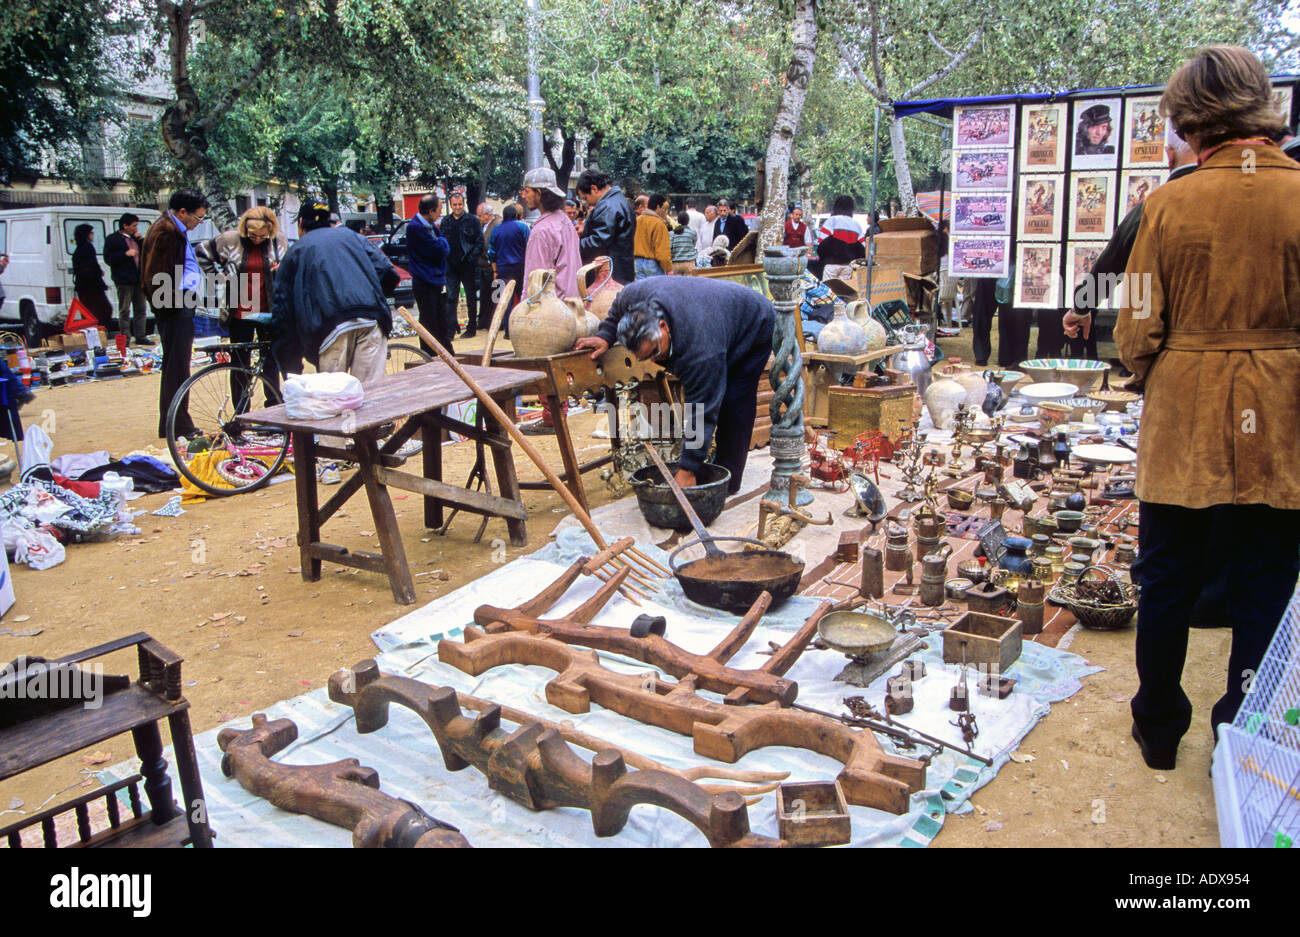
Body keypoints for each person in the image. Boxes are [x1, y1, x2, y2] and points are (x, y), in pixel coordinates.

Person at [1115, 45, 1300, 771]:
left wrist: (1162, 364)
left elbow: (1133, 326)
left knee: (1166, 575)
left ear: (1191, 119)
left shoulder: (1165, 203)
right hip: (1282, 409)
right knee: (1266, 580)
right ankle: (1242, 732)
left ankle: (1159, 728)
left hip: (1184, 407)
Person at [575, 277, 774, 494]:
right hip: (713, 312)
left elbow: (702, 411)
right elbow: (618, 305)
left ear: (663, 326)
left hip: (753, 322)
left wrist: (688, 469)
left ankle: (727, 480)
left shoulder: (701, 349)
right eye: (644, 358)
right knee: (713, 393)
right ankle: (707, 465)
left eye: (655, 353)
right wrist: (605, 335)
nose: (654, 362)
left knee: (734, 401)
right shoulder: (634, 296)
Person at [1064, 124, 1198, 359]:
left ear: (1170, 155)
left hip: (1174, 354)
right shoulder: (1245, 199)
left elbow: (1110, 268)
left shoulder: (1157, 206)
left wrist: (1081, 307)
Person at [272, 201, 397, 388]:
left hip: (329, 328)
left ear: (300, 223)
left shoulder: (295, 252)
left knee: (335, 399)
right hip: (372, 321)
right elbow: (389, 273)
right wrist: (370, 297)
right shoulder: (352, 237)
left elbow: (283, 311)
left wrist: (290, 365)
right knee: (372, 396)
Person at [194, 206, 288, 414]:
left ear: (270, 231)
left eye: (262, 236)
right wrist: (220, 277)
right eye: (252, 235)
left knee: (271, 360)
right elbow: (202, 252)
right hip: (240, 312)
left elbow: (287, 266)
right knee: (239, 362)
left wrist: (280, 270)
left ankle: (273, 407)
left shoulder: (278, 241)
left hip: (268, 310)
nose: (256, 239)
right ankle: (242, 412)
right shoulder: (229, 240)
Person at [142, 187, 209, 438]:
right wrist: (174, 304)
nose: (198, 223)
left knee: (176, 366)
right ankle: (178, 425)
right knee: (177, 367)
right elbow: (155, 274)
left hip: (178, 304)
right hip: (173, 306)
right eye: (198, 217)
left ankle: (173, 423)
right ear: (183, 212)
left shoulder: (171, 228)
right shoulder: (166, 231)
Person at [520, 166, 582, 435]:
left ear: (539, 193)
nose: (524, 196)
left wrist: (526, 310)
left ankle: (551, 418)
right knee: (561, 366)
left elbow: (536, 279)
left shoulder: (542, 230)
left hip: (550, 309)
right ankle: (558, 413)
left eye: (527, 191)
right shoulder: (564, 222)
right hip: (572, 304)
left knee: (545, 366)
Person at [405, 194, 451, 353]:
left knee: (441, 321)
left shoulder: (431, 227)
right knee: (429, 322)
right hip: (425, 281)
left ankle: (447, 353)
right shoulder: (415, 227)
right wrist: (442, 244)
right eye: (438, 210)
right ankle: (430, 354)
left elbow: (443, 243)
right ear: (430, 211)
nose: (440, 213)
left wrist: (442, 243)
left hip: (436, 281)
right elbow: (440, 249)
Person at [576, 168, 635, 284]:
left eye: (585, 198)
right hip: (621, 270)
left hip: (610, 274)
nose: (587, 203)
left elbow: (599, 242)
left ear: (594, 189)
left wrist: (574, 245)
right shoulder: (618, 200)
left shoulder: (607, 206)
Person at [103, 213, 152, 345]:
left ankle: (140, 335)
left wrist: (141, 241)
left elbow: (147, 253)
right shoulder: (113, 239)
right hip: (124, 280)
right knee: (124, 310)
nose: (135, 228)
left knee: (141, 309)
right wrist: (125, 254)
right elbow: (108, 258)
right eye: (133, 226)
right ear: (125, 226)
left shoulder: (136, 239)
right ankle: (126, 337)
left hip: (138, 279)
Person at [441, 192, 483, 337]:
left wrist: (471, 258)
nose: (457, 207)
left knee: (471, 297)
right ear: (450, 205)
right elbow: (442, 241)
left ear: (463, 204)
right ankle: (451, 329)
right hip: (451, 264)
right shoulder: (446, 221)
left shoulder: (473, 220)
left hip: (467, 264)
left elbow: (480, 242)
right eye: (454, 205)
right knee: (451, 297)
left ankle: (471, 328)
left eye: (460, 204)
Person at [491, 202, 532, 328]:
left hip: (503, 269)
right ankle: (523, 326)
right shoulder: (522, 227)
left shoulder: (496, 230)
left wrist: (495, 271)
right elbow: (529, 246)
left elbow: (492, 252)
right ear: (515, 215)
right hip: (520, 267)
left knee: (505, 299)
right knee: (523, 297)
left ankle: (507, 329)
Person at [71, 223, 114, 334]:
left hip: (83, 287)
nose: (92, 235)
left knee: (89, 313)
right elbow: (90, 266)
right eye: (91, 233)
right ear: (86, 235)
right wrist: (98, 273)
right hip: (91, 287)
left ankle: (95, 332)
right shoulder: (87, 248)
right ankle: (100, 332)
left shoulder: (79, 249)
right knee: (104, 310)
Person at [817, 195, 866, 280]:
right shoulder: (856, 225)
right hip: (848, 266)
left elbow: (821, 243)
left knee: (829, 291)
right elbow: (862, 248)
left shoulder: (831, 221)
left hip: (831, 265)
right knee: (843, 291)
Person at [633, 193, 671, 279]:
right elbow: (662, 252)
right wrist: (668, 268)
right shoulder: (659, 224)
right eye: (663, 208)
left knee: (642, 291)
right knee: (656, 291)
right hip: (653, 265)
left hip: (638, 262)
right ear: (658, 207)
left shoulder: (638, 220)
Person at [476, 202, 500, 322]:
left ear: (487, 214)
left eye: (480, 215)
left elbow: (492, 246)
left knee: (493, 295)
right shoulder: (483, 225)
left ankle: (492, 320)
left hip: (491, 266)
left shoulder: (495, 225)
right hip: (483, 266)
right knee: (484, 295)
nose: (479, 218)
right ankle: (484, 319)